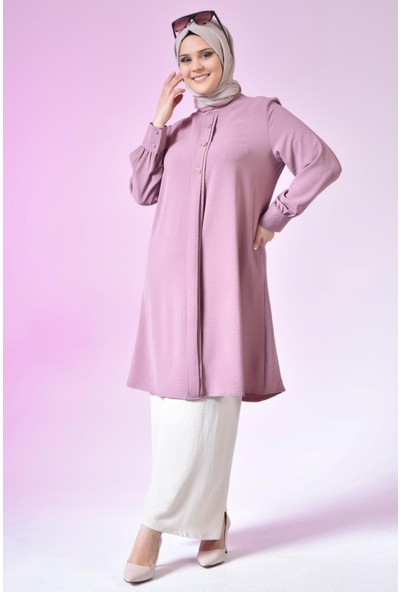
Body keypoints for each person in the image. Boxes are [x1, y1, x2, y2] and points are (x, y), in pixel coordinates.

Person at [123, 10, 342, 584]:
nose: (196, 66)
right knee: (172, 412)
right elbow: (141, 190)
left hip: (226, 281)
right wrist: (158, 120)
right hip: (168, 286)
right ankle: (213, 522)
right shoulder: (176, 129)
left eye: (205, 54)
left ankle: (151, 528)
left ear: (225, 54)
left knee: (212, 410)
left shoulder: (264, 115)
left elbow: (321, 162)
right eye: (185, 58)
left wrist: (275, 216)